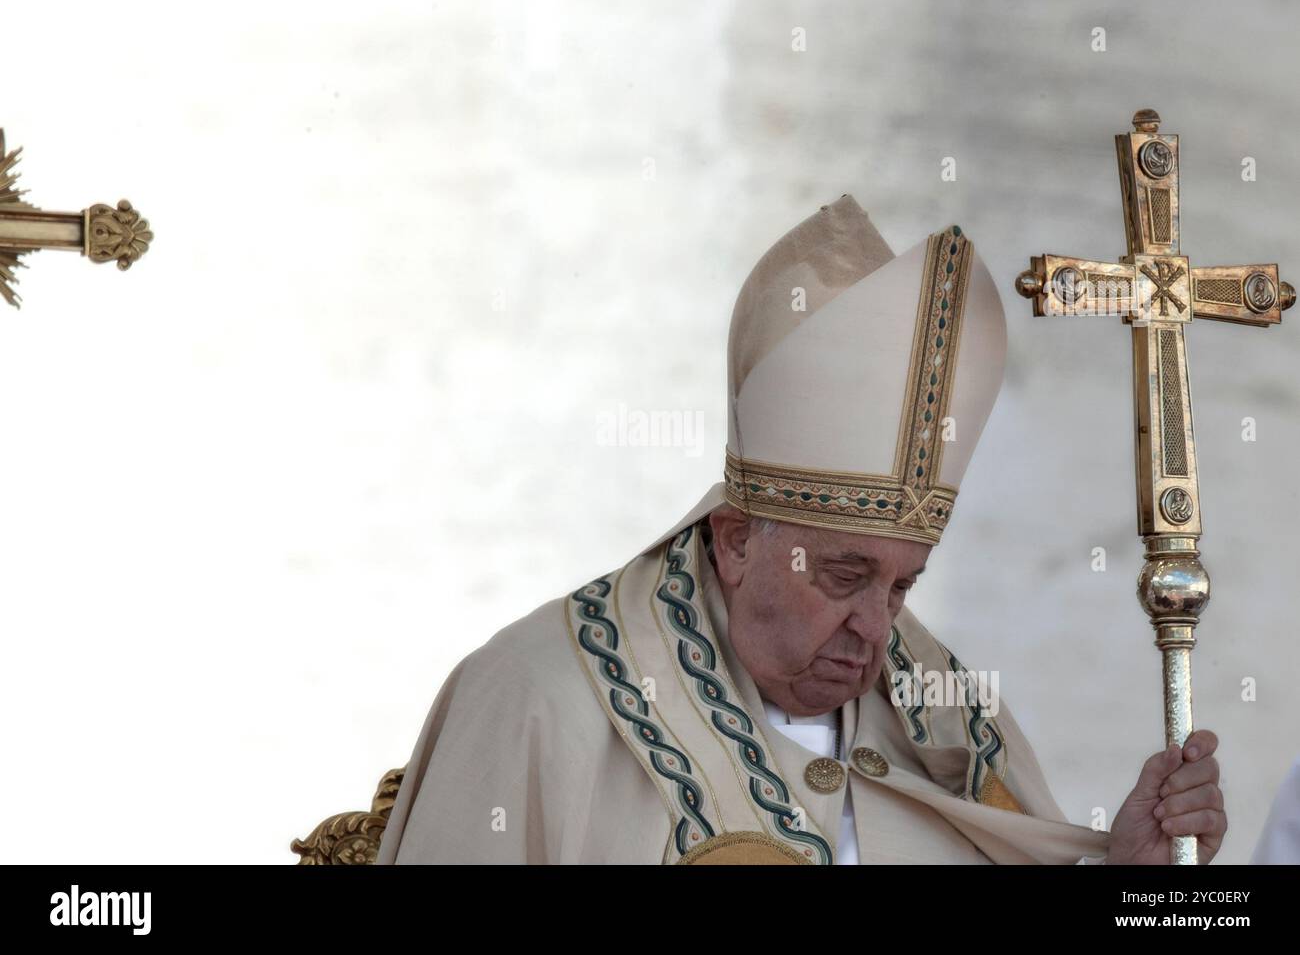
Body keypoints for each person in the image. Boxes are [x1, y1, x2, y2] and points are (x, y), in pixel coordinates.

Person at [376, 195, 1226, 864]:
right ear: (736, 539)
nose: (876, 629)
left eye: (903, 585)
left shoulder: (945, 718)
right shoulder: (536, 700)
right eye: (845, 576)